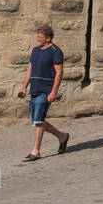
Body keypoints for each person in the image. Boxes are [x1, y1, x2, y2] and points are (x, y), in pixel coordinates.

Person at [19, 24, 68, 161]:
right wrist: (24, 86)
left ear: (48, 38)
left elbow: (59, 73)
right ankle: (62, 136)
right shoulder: (35, 51)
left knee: (38, 120)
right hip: (34, 88)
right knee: (37, 120)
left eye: (40, 37)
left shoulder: (55, 51)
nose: (37, 39)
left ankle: (36, 151)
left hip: (46, 90)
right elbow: (30, 69)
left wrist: (54, 92)